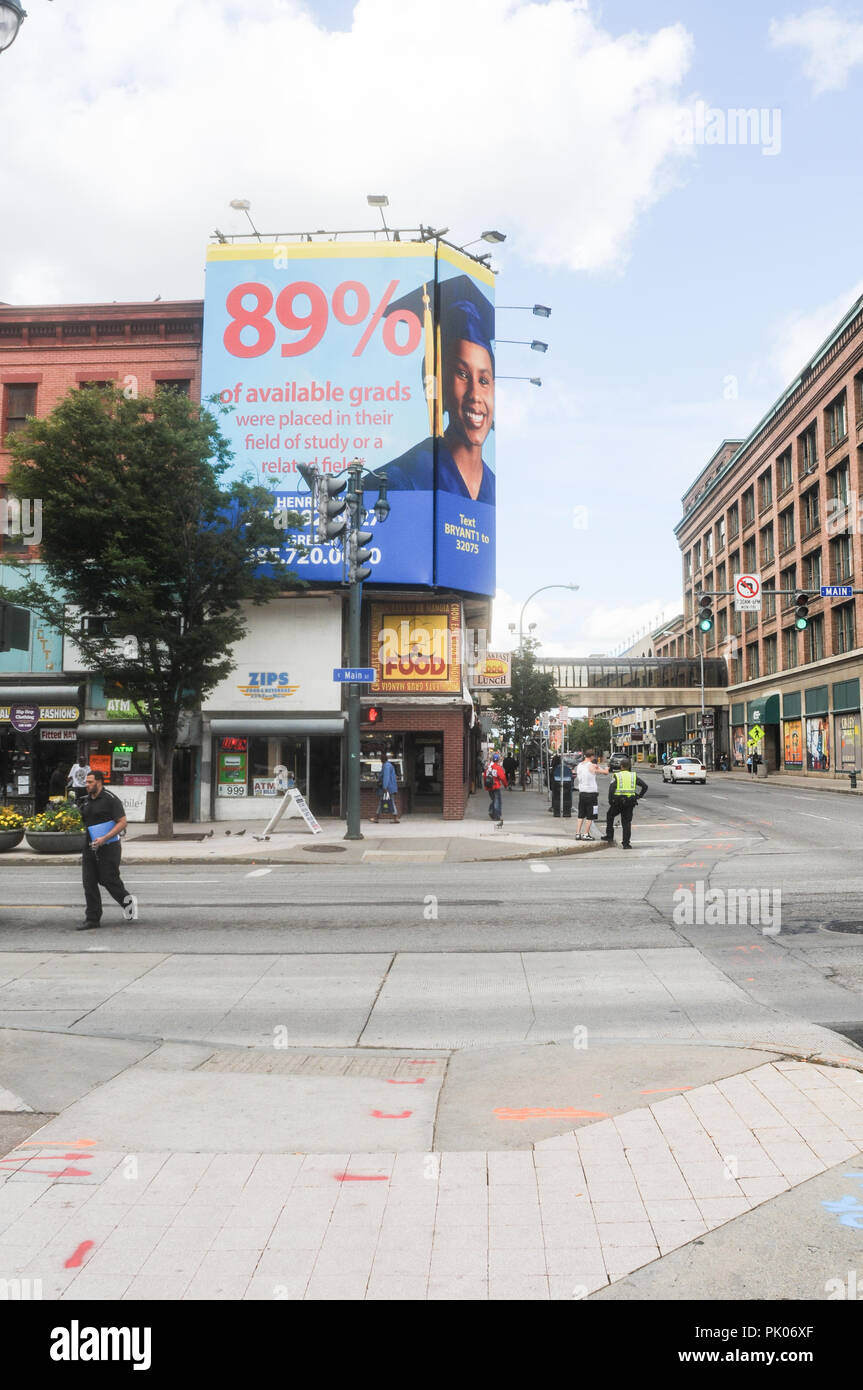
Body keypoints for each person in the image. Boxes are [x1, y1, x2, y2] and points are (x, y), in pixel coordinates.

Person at [364, 276, 496, 504]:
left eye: (484, 380)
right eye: (462, 374)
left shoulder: (494, 489)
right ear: (438, 384)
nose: (475, 394)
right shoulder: (397, 481)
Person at [78, 769, 138, 930]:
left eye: (90, 782)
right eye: (86, 782)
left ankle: (128, 902)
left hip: (109, 847)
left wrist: (104, 838)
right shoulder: (86, 801)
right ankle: (92, 919)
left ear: (99, 782)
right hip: (90, 848)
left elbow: (122, 822)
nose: (87, 785)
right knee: (89, 883)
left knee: (109, 880)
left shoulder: (110, 799)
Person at [602, 757, 648, 849]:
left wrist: (611, 801)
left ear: (621, 766)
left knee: (610, 815)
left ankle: (609, 835)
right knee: (626, 823)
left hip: (618, 802)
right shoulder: (633, 776)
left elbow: (611, 789)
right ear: (629, 766)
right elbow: (645, 786)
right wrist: (639, 796)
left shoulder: (617, 775)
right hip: (629, 802)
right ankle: (626, 844)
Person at [575, 754, 608, 841]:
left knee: (581, 814)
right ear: (592, 757)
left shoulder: (579, 765)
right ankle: (586, 834)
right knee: (590, 815)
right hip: (591, 794)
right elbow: (605, 773)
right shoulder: (593, 766)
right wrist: (607, 768)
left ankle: (578, 834)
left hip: (582, 793)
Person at [370, 751, 400, 824]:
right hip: (390, 787)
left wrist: (385, 787)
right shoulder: (389, 765)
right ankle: (377, 818)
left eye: (380, 759)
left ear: (382, 759)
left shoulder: (386, 766)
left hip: (387, 788)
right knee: (385, 802)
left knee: (389, 802)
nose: (380, 760)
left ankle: (394, 818)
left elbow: (386, 777)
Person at [484, 752, 508, 823]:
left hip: (489, 787)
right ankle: (496, 815)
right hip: (496, 786)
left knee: (494, 800)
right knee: (497, 801)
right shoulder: (498, 768)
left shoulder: (488, 768)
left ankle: (492, 812)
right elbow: (503, 778)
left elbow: (485, 776)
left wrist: (485, 786)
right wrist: (505, 785)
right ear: (498, 760)